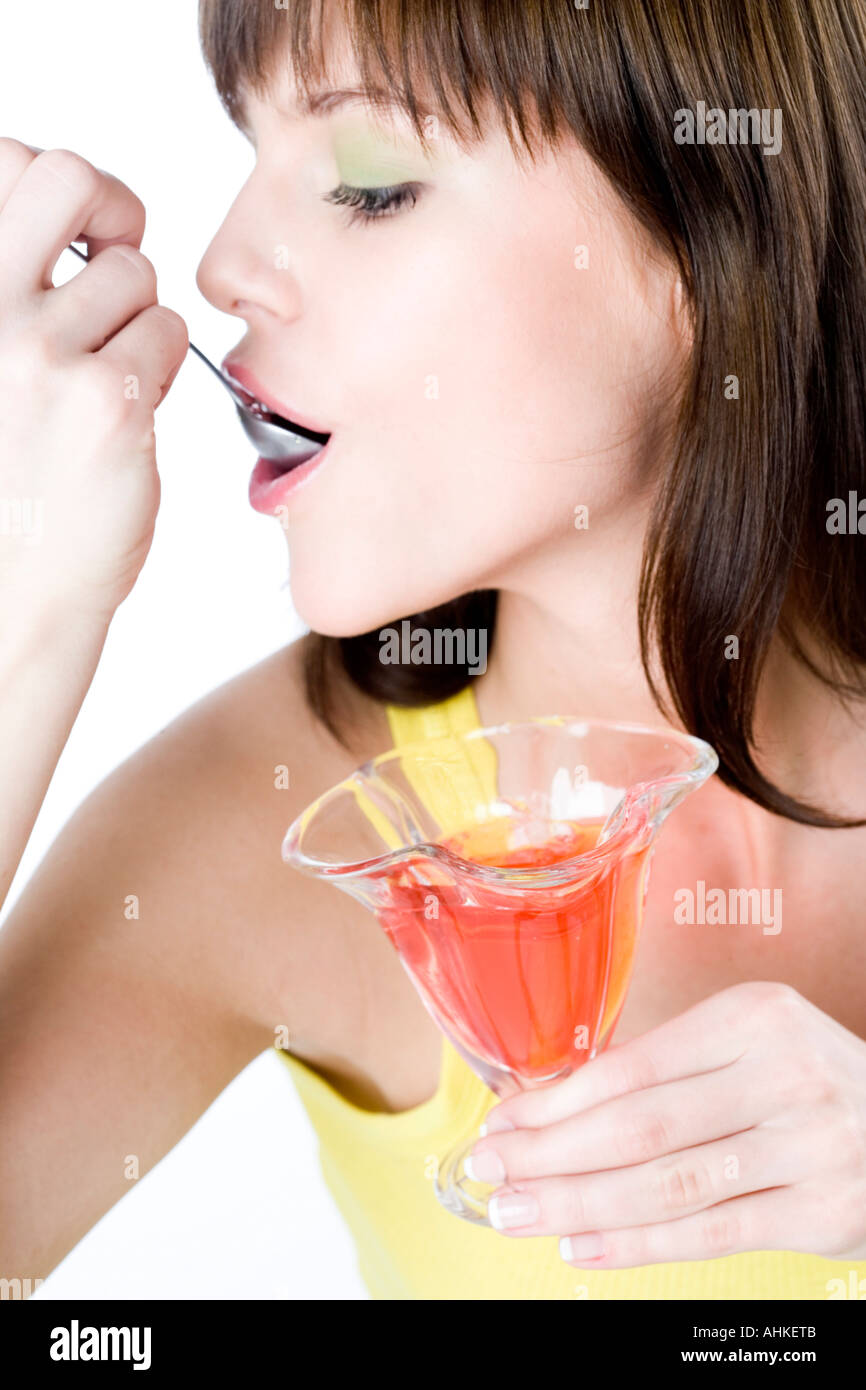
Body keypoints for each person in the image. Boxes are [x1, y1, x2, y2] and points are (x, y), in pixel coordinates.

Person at [2, 0, 866, 1299]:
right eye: (250, 150)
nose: (226, 261)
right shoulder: (271, 825)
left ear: (709, 235)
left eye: (365, 181)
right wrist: (28, 600)